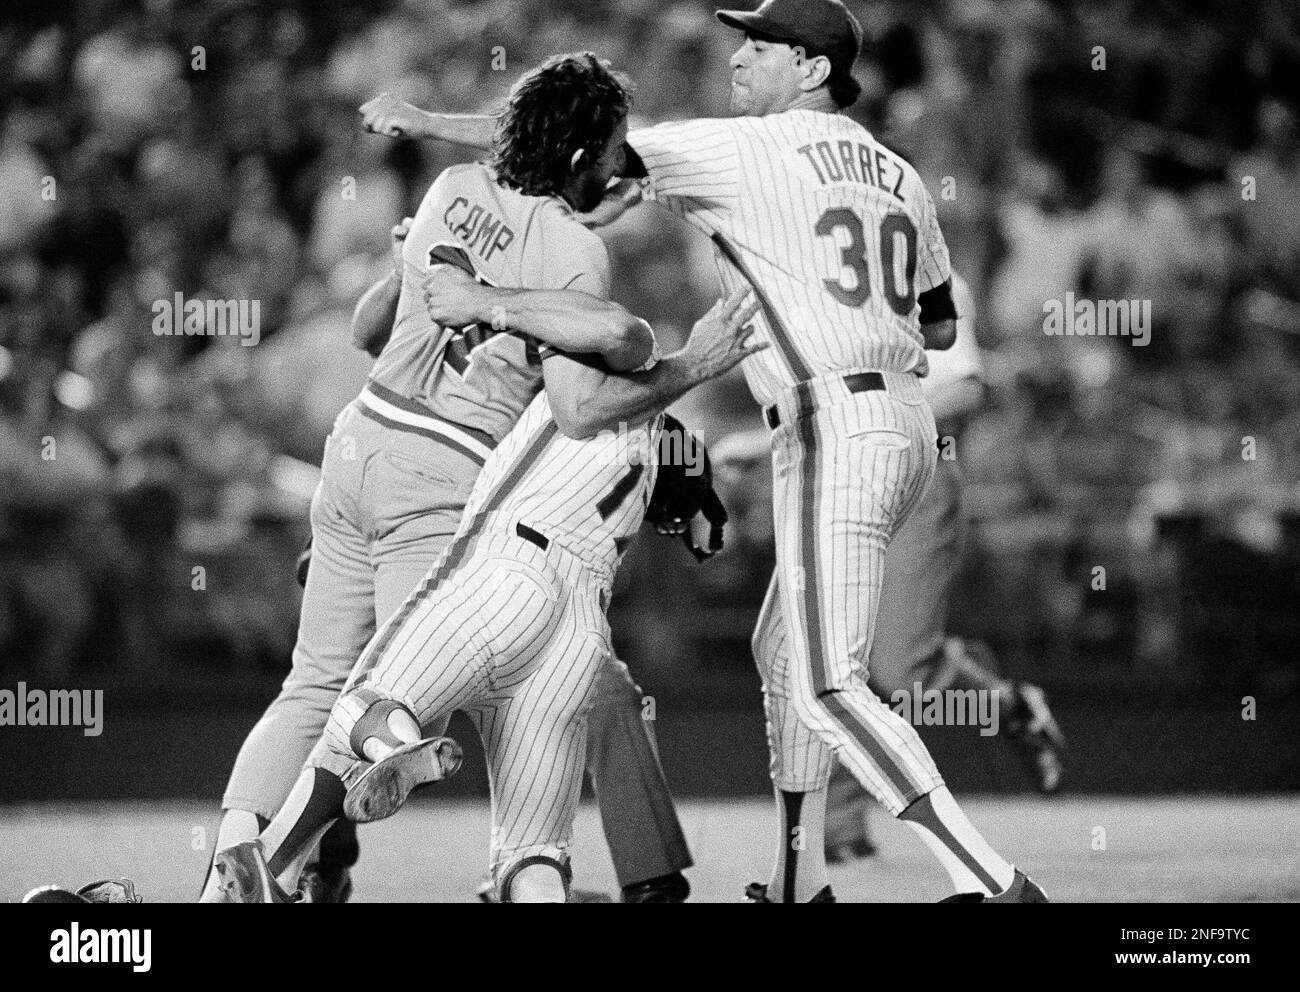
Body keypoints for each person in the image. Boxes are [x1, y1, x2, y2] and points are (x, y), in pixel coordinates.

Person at [363, 0, 1048, 902]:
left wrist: (424, 123)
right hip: (903, 423)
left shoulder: (748, 147)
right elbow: (941, 320)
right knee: (783, 654)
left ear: (812, 70)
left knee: (832, 687)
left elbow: (550, 135)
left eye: (763, 45)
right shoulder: (900, 173)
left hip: (832, 423)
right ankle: (799, 884)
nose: (739, 57)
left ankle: (990, 883)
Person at [202, 52, 759, 904]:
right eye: (610, 150)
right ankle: (511, 869)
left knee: (318, 686)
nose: (621, 168)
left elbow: (377, 321)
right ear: (584, 161)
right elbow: (578, 404)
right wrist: (688, 366)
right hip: (447, 472)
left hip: (358, 443)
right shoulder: (575, 252)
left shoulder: (453, 187)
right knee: (481, 695)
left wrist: (429, 125)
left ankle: (238, 868)